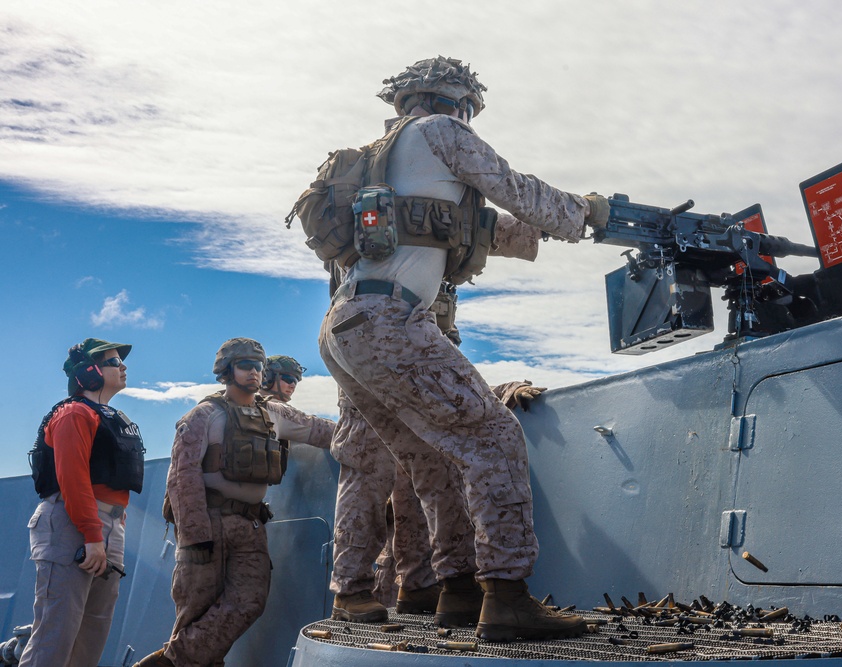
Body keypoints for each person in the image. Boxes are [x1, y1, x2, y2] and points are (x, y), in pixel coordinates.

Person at [316, 56, 609, 642]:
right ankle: (506, 596)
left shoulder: (388, 162)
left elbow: (471, 229)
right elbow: (514, 187)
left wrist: (548, 229)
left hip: (343, 328)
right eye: (468, 109)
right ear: (453, 102)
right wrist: (583, 213)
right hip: (389, 320)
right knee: (493, 436)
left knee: (429, 457)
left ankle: (456, 589)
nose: (468, 118)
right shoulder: (440, 133)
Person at [325, 283, 546, 626]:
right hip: (386, 334)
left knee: (432, 466)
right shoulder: (392, 259)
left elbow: (462, 387)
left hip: (391, 338)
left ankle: (431, 584)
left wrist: (505, 388)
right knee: (369, 470)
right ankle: (351, 590)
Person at [135, 338, 336, 667]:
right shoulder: (204, 415)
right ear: (227, 371)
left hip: (250, 525)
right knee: (197, 609)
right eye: (245, 366)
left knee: (251, 601)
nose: (254, 373)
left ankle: (168, 662)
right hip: (209, 524)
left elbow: (318, 430)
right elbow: (182, 476)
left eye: (258, 367)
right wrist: (195, 534)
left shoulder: (274, 413)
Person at [20, 338, 145, 667]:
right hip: (71, 525)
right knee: (55, 636)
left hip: (107, 527)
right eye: (115, 362)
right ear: (89, 372)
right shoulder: (74, 414)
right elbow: (72, 480)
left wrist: (113, 525)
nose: (123, 367)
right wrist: (92, 535)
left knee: (91, 637)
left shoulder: (114, 418)